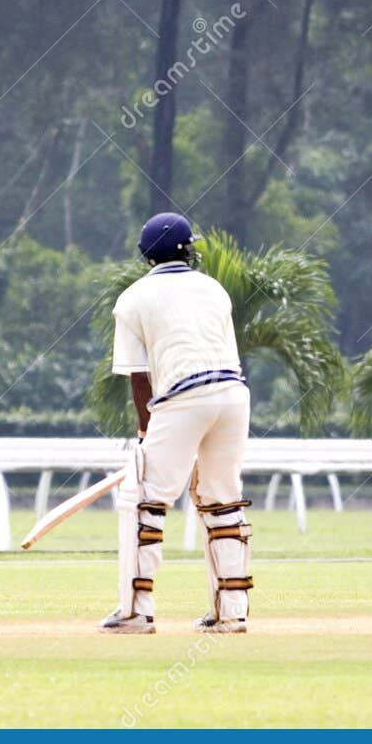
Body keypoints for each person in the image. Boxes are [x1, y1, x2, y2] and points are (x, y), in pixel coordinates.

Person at [100, 212, 253, 635]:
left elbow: (138, 375)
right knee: (221, 501)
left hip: (182, 397)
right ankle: (231, 612)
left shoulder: (132, 298)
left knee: (143, 500)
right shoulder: (214, 289)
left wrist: (146, 433)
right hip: (233, 395)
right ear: (188, 248)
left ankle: (135, 612)